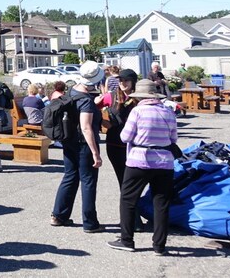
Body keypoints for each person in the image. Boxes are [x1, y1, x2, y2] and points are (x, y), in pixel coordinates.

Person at [107, 80, 179, 255]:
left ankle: (127, 240)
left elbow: (125, 137)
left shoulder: (137, 111)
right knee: (161, 203)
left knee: (128, 199)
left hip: (140, 159)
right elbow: (174, 139)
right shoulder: (168, 112)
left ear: (140, 97)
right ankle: (159, 245)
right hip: (164, 161)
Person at [51, 60, 104, 233]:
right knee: (88, 181)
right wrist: (96, 153)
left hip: (69, 141)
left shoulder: (72, 91)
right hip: (83, 144)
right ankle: (90, 222)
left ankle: (59, 215)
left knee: (70, 177)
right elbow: (86, 128)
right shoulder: (86, 101)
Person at [102, 69, 139, 187]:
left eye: (126, 80)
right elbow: (93, 111)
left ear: (133, 82)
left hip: (136, 144)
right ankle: (128, 204)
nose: (122, 83)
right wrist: (102, 122)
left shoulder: (140, 97)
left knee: (136, 180)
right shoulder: (110, 96)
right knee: (123, 179)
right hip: (115, 144)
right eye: (120, 80)